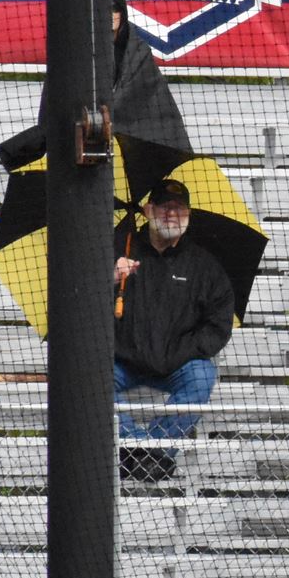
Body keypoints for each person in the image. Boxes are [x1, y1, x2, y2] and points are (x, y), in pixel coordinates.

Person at [112, 179, 234, 484]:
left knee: (202, 376)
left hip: (177, 364)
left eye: (179, 209)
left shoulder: (205, 265)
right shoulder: (117, 248)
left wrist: (180, 352)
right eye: (164, 207)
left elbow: (218, 325)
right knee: (88, 378)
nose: (171, 215)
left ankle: (150, 453)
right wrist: (109, 279)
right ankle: (141, 451)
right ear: (148, 210)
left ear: (188, 215)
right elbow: (81, 307)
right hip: (122, 362)